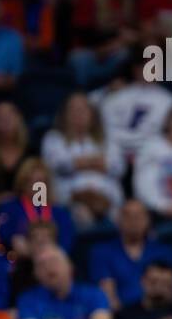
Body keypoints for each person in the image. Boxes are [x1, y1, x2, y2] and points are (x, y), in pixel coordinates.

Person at [41, 91, 125, 225]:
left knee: (124, 218)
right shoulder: (54, 138)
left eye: (83, 109)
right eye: (73, 109)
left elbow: (119, 167)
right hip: (71, 200)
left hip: (108, 200)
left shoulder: (106, 139)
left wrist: (79, 163)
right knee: (82, 216)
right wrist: (94, 163)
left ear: (92, 114)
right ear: (64, 114)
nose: (78, 114)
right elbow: (57, 165)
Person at [88, 199, 172, 309]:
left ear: (148, 220)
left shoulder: (164, 252)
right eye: (128, 216)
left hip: (159, 311)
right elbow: (108, 295)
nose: (134, 221)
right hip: (123, 314)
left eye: (139, 216)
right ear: (118, 220)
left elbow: (170, 292)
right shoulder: (102, 252)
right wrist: (125, 317)